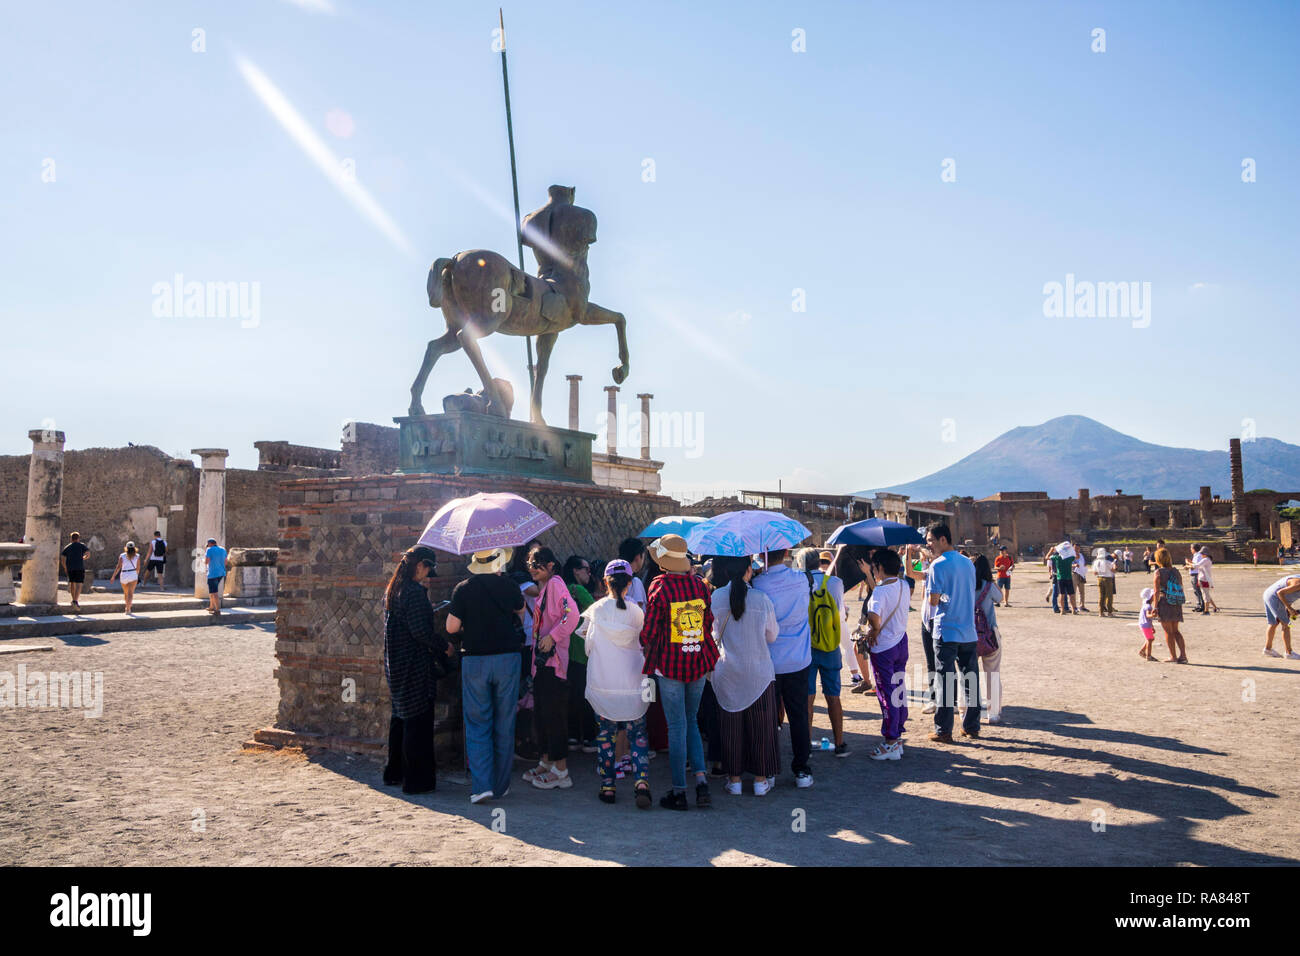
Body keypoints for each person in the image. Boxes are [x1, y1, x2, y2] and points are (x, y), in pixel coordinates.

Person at [639, 534, 719, 809]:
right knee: (691, 721)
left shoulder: (658, 588)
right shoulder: (700, 586)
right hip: (697, 660)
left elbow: (648, 632)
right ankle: (701, 782)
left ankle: (679, 790)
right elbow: (707, 623)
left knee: (676, 726)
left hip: (669, 664)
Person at [446, 546, 526, 804]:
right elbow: (522, 614)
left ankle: (482, 786)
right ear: (499, 563)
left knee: (478, 723)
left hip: (475, 660)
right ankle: (501, 786)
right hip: (508, 658)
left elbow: (451, 626)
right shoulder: (511, 586)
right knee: (505, 723)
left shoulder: (463, 589)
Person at [583, 560, 652, 808]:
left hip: (604, 683)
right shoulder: (637, 612)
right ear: (630, 584)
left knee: (605, 735)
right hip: (635, 682)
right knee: (639, 735)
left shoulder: (596, 610)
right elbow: (644, 642)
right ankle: (642, 782)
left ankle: (608, 786)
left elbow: (588, 646)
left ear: (605, 582)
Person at [709, 555, 780, 795]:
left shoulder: (716, 597)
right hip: (759, 672)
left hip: (727, 671)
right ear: (749, 570)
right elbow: (772, 635)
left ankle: (735, 780)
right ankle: (761, 781)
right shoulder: (762, 599)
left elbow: (712, 634)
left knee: (731, 730)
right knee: (761, 728)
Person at [381, 546, 449, 795]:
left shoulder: (394, 590)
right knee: (418, 722)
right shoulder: (413, 593)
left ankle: (394, 773)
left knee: (400, 718)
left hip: (396, 664)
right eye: (428, 567)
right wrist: (445, 647)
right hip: (414, 666)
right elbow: (421, 632)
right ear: (419, 565)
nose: (429, 573)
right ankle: (416, 781)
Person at [753, 545, 816, 788]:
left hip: (769, 661)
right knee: (799, 716)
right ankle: (802, 769)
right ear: (787, 553)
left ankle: (768, 769)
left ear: (761, 556)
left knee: (768, 718)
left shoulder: (759, 585)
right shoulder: (802, 579)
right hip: (799, 659)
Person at [522, 547, 578, 790]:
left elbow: (572, 614)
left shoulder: (556, 584)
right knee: (542, 715)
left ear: (552, 565)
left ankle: (562, 771)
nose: (534, 567)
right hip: (542, 664)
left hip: (554, 664)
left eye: (540, 563)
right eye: (532, 563)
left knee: (554, 716)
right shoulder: (544, 589)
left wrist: (553, 637)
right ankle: (546, 762)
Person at [925, 523, 981, 743]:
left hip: (947, 630)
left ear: (942, 540)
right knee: (971, 681)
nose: (928, 544)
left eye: (930, 540)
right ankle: (971, 726)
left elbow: (934, 599)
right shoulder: (967, 562)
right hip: (968, 630)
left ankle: (943, 729)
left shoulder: (937, 566)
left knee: (945, 682)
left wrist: (946, 597)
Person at [856, 547, 910, 757]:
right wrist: (869, 576)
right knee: (898, 688)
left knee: (885, 693)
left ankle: (891, 741)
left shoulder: (879, 591)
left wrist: (873, 631)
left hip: (884, 648)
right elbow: (881, 593)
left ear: (879, 567)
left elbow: (874, 617)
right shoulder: (903, 584)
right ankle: (897, 732)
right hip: (900, 642)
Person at [804, 548, 848, 757]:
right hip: (830, 644)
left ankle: (806, 746)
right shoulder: (836, 583)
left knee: (808, 699)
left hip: (807, 645)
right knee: (834, 697)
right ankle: (839, 743)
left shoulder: (800, 582)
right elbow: (840, 613)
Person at [561, 555, 599, 753]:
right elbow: (596, 612)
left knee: (573, 695)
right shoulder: (578, 590)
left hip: (566, 650)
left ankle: (574, 736)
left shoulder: (560, 589)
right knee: (586, 695)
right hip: (582, 649)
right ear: (576, 571)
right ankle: (589, 738)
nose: (589, 573)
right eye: (586, 569)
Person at [818, 549, 863, 687]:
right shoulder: (836, 579)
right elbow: (853, 587)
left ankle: (823, 677)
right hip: (838, 618)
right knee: (848, 646)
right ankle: (855, 675)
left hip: (820, 619)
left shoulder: (815, 577)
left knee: (824, 649)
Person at [972, 554, 1004, 724]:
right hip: (990, 634)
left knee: (968, 674)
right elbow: (1000, 598)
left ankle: (968, 711)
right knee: (993, 674)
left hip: (969, 636)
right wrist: (992, 580)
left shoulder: (966, 585)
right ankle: (993, 712)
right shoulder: (988, 586)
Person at [1152, 548, 1187, 663]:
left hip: (1164, 602)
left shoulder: (1158, 572)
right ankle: (1183, 656)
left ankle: (1173, 656)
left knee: (1168, 631)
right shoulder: (1176, 571)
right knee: (1176, 631)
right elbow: (1180, 586)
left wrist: (1155, 607)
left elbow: (1156, 591)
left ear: (1158, 559)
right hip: (1176, 602)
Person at [1262, 574, 1300, 659]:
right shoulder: (1298, 583)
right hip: (1275, 597)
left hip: (1268, 594)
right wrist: (1290, 609)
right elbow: (1280, 593)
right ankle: (1289, 653)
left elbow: (1289, 596)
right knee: (1286, 625)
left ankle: (1268, 649)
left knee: (1273, 623)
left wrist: (1289, 608)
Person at [59, 532, 90, 608]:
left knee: (72, 583)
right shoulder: (82, 545)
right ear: (78, 538)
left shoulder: (68, 547)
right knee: (79, 584)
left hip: (70, 568)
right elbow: (88, 553)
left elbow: (62, 558)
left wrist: (65, 567)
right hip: (79, 567)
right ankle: (75, 601)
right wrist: (84, 558)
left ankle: (73, 600)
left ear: (71, 538)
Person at [110, 541, 141, 614]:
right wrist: (136, 575)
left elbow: (118, 567)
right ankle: (128, 609)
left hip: (124, 574)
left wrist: (113, 576)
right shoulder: (137, 556)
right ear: (134, 548)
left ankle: (127, 606)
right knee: (131, 593)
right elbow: (138, 568)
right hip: (133, 574)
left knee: (126, 593)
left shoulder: (122, 555)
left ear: (126, 548)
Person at [1049, 542, 1077, 614]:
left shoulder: (1057, 558)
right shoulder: (1069, 558)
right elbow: (1075, 556)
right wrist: (1071, 549)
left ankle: (1062, 610)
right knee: (1071, 595)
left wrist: (1051, 550)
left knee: (1062, 595)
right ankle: (1073, 609)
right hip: (1068, 577)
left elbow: (1047, 557)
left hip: (1060, 578)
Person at [203, 537, 227, 616]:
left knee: (214, 592)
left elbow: (206, 562)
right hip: (221, 573)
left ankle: (217, 610)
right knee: (211, 591)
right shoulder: (223, 549)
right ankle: (211, 606)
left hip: (213, 573)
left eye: (208, 545)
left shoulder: (209, 550)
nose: (208, 546)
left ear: (210, 544)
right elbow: (226, 562)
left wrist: (204, 560)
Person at [1192, 545, 1219, 614]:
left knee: (1205, 595)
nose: (1201, 555)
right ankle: (1215, 607)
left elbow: (1196, 566)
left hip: (1204, 579)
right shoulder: (1206, 560)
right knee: (1207, 594)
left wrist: (1188, 564)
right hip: (1203, 579)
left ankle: (1206, 610)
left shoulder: (1206, 560)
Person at [1093, 548, 1117, 616]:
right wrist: (1114, 567)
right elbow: (1113, 570)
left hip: (1099, 578)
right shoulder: (1107, 562)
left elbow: (1095, 573)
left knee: (1101, 596)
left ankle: (1101, 612)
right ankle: (1109, 612)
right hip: (1108, 578)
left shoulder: (1096, 562)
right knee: (1109, 596)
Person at [1137, 587, 1157, 660]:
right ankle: (1148, 655)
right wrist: (1153, 615)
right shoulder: (1148, 606)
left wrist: (1152, 626)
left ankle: (1142, 651)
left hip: (1145, 624)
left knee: (1151, 639)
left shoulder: (1146, 604)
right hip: (1145, 625)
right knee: (1149, 639)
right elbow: (1148, 615)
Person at [1072, 543, 1089, 612]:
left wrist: (1084, 565)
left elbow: (1083, 562)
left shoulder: (1081, 555)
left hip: (1081, 574)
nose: (1076, 549)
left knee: (1082, 591)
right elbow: (1069, 564)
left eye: (1078, 548)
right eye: (1075, 548)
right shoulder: (1071, 555)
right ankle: (1074, 606)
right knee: (1073, 591)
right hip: (1074, 574)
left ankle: (1082, 606)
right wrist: (1074, 565)